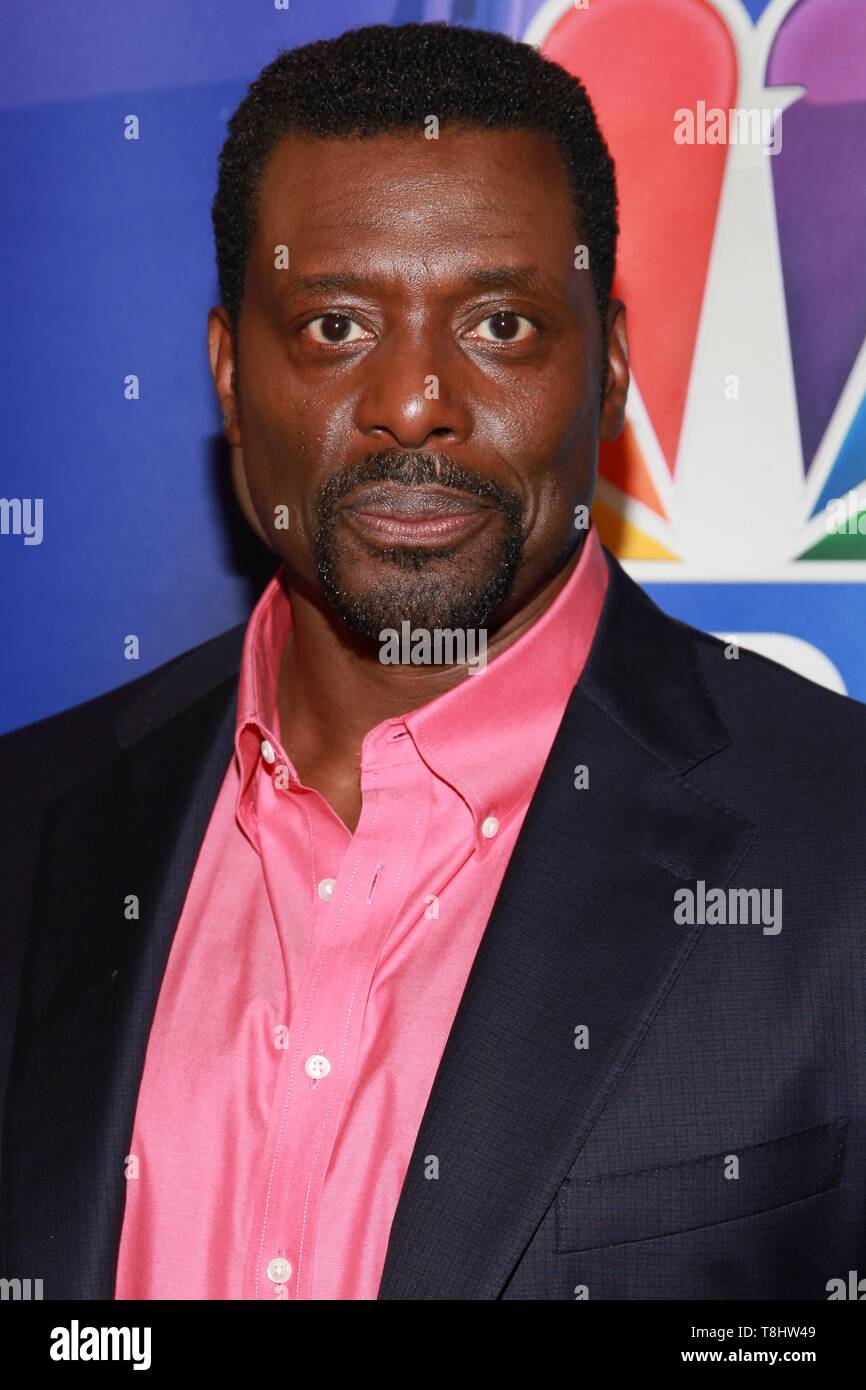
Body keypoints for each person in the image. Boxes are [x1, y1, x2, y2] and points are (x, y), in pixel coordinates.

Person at [1, 21, 864, 1302]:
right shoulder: (31, 821)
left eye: (502, 323)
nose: (414, 398)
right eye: (336, 324)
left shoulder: (835, 840)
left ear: (610, 367)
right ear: (230, 373)